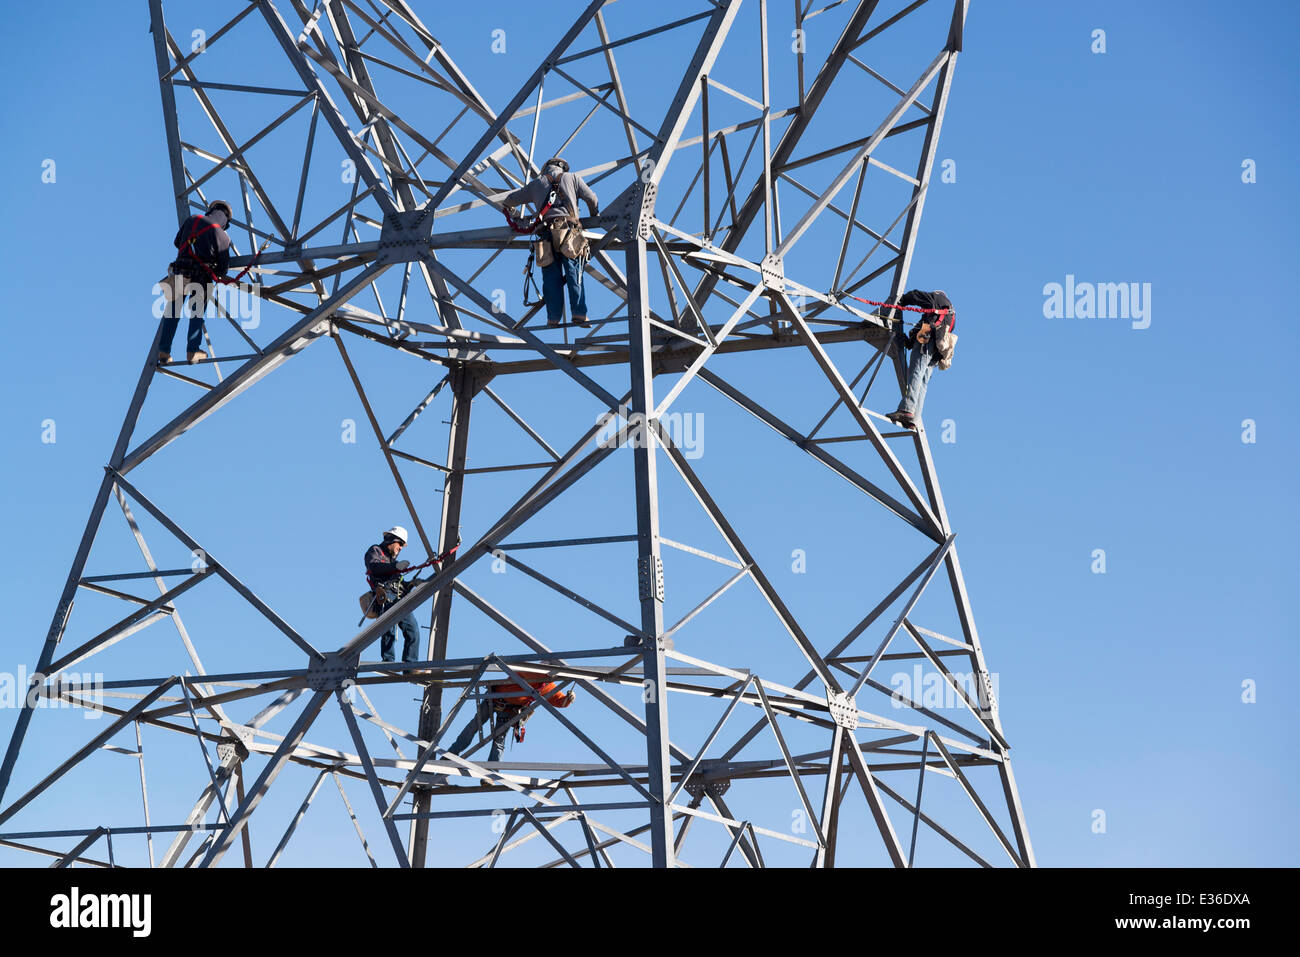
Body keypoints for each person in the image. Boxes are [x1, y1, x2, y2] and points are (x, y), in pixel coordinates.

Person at [503, 158, 598, 327]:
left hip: (545, 235)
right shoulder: (572, 178)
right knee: (574, 273)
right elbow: (591, 198)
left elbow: (510, 200)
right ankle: (579, 314)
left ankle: (553, 318)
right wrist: (594, 216)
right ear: (564, 167)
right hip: (570, 233)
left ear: (545, 169)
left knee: (550, 279)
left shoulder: (537, 183)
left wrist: (515, 214)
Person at [447, 671, 576, 768]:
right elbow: (512, 670)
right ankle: (451, 755)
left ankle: (491, 771)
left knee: (498, 739)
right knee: (474, 727)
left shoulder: (548, 685)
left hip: (508, 709)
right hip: (493, 700)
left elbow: (560, 702)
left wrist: (569, 699)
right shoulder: (530, 672)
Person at [159, 200, 234, 364]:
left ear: (211, 210)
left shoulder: (192, 219)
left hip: (180, 271)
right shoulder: (223, 236)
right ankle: (193, 350)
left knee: (172, 313)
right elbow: (223, 270)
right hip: (201, 278)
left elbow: (177, 242)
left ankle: (163, 350)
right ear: (225, 221)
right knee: (196, 314)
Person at [884, 289, 957, 431]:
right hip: (937, 350)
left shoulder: (937, 299)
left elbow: (917, 296)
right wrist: (910, 341)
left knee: (916, 373)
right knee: (923, 381)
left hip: (927, 343)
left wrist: (902, 300)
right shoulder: (949, 314)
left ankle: (907, 409)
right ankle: (914, 419)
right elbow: (928, 325)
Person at [364, 525, 422, 664]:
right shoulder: (376, 551)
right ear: (391, 540)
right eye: (400, 544)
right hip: (385, 595)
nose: (401, 548)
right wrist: (394, 567)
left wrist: (411, 584)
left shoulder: (393, 562)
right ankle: (388, 661)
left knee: (413, 630)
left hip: (398, 597)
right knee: (388, 629)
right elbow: (374, 567)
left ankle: (410, 664)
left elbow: (399, 583)